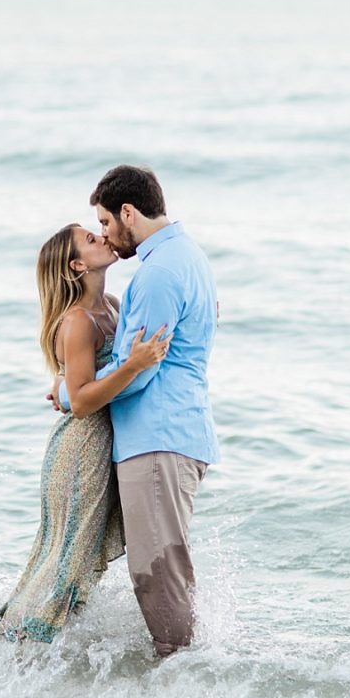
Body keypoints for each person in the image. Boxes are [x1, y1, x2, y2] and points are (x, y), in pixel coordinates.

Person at [57, 165, 220, 658]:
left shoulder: (157, 274)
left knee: (157, 577)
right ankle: (180, 688)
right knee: (164, 573)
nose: (105, 233)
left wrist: (69, 396)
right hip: (173, 431)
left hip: (157, 436)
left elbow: (140, 370)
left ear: (129, 213)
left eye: (105, 222)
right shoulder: (184, 255)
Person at [0, 224, 170, 642]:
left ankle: (30, 662)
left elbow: (79, 382)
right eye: (91, 239)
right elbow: (86, 400)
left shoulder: (110, 306)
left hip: (104, 445)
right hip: (81, 450)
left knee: (74, 561)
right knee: (64, 563)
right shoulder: (77, 322)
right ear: (77, 265)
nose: (102, 237)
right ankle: (13, 658)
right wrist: (133, 366)